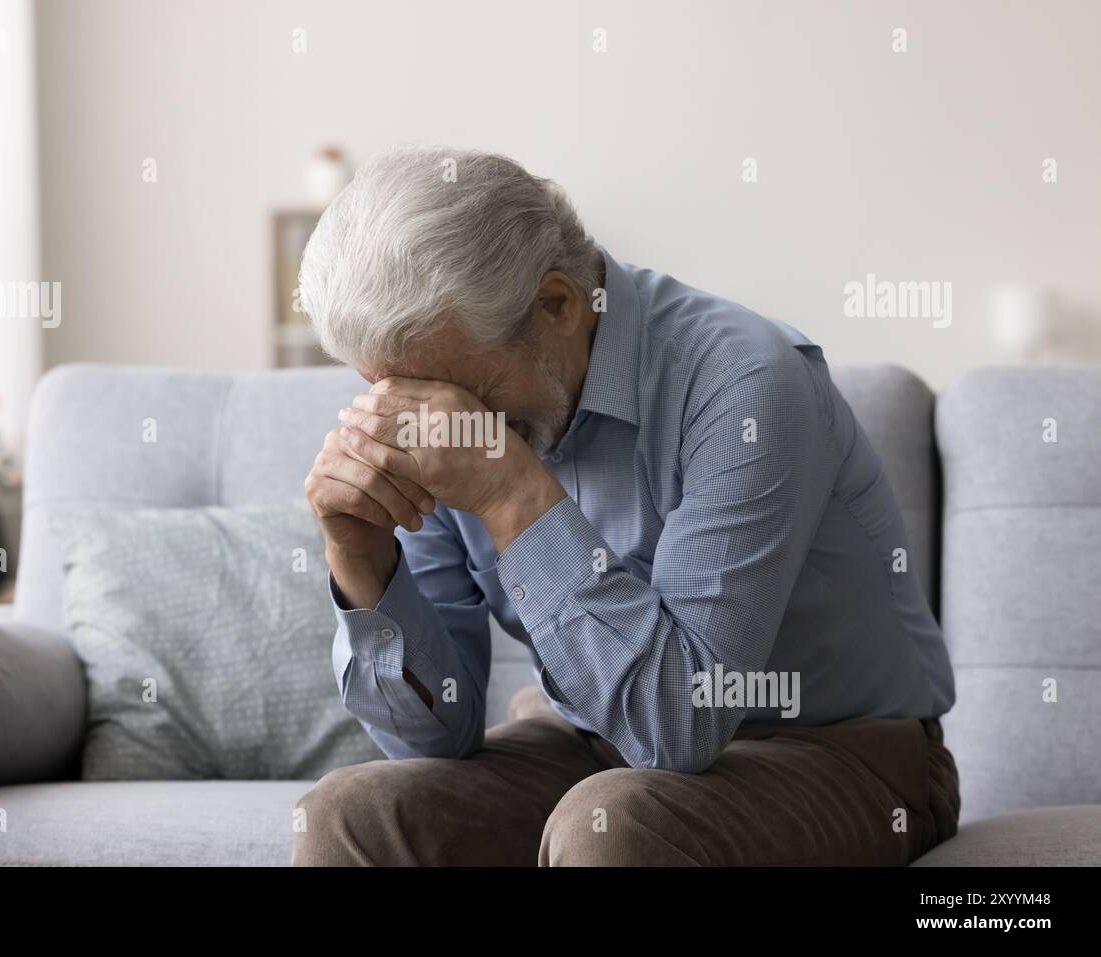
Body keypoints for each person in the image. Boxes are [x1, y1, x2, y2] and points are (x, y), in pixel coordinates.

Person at [294, 146, 958, 866]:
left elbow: (681, 726)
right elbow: (435, 737)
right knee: (345, 815)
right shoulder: (440, 389)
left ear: (556, 304)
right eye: (394, 392)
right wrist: (362, 559)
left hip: (841, 749)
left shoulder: (743, 388)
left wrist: (509, 492)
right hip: (591, 744)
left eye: (457, 396)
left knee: (613, 823)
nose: (426, 422)